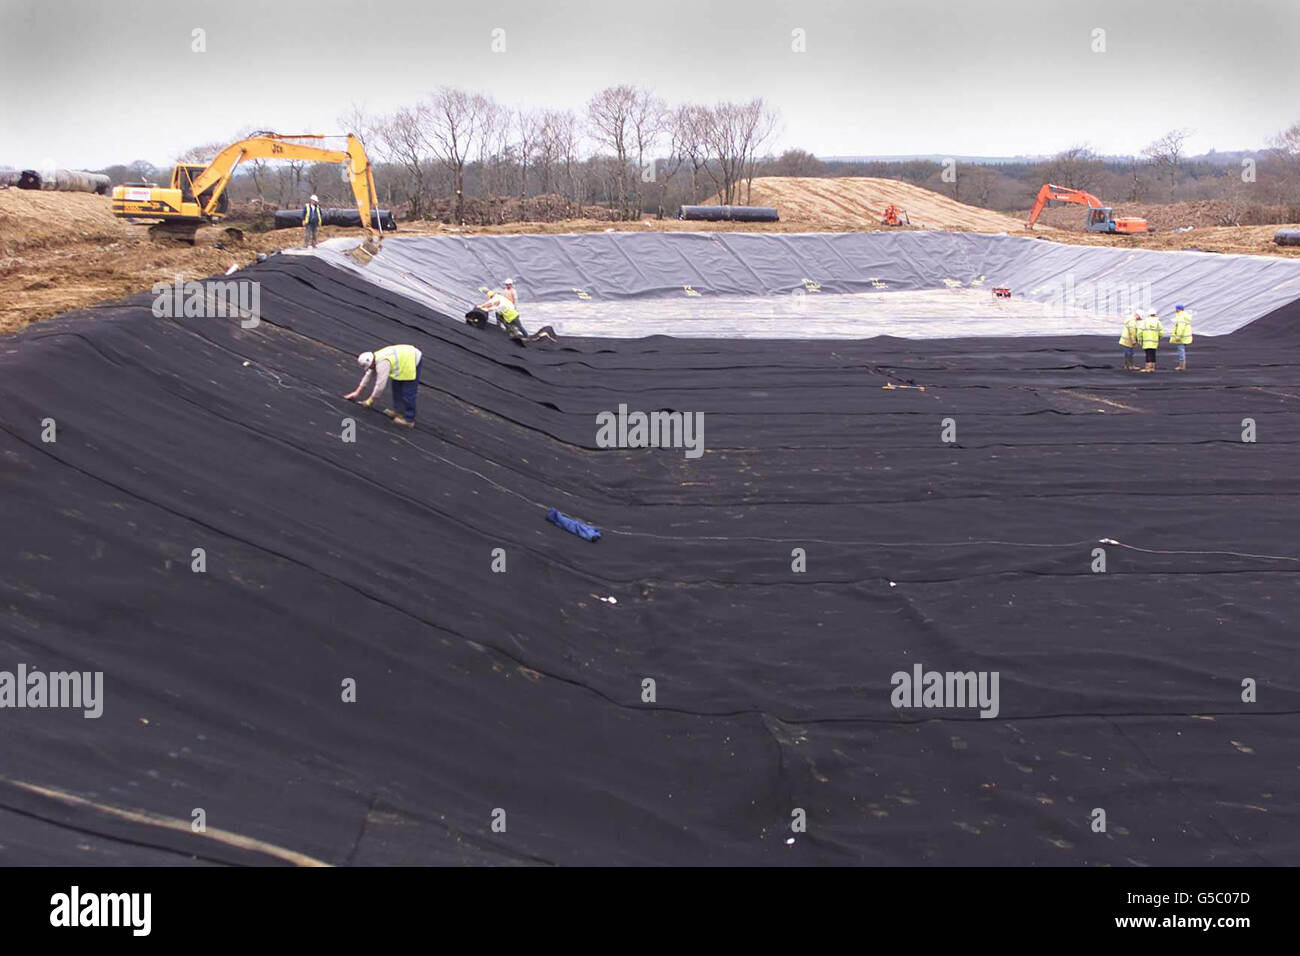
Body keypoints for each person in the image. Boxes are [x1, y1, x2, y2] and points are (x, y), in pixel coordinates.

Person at [343, 344, 423, 428]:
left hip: (412, 359)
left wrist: (370, 400)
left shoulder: (382, 363)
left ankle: (409, 419)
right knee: (396, 387)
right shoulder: (375, 358)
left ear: (371, 362)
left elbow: (380, 386)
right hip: (403, 360)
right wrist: (357, 392)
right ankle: (399, 412)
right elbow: (368, 375)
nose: (370, 368)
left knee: (408, 391)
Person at [1169, 304, 1193, 370]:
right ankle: (1182, 365)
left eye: (1176, 309)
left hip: (1181, 337)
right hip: (1186, 336)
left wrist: (1178, 337)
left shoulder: (1181, 316)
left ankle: (1182, 366)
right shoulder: (1185, 315)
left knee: (1181, 351)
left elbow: (1180, 327)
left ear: (1178, 309)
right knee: (1182, 350)